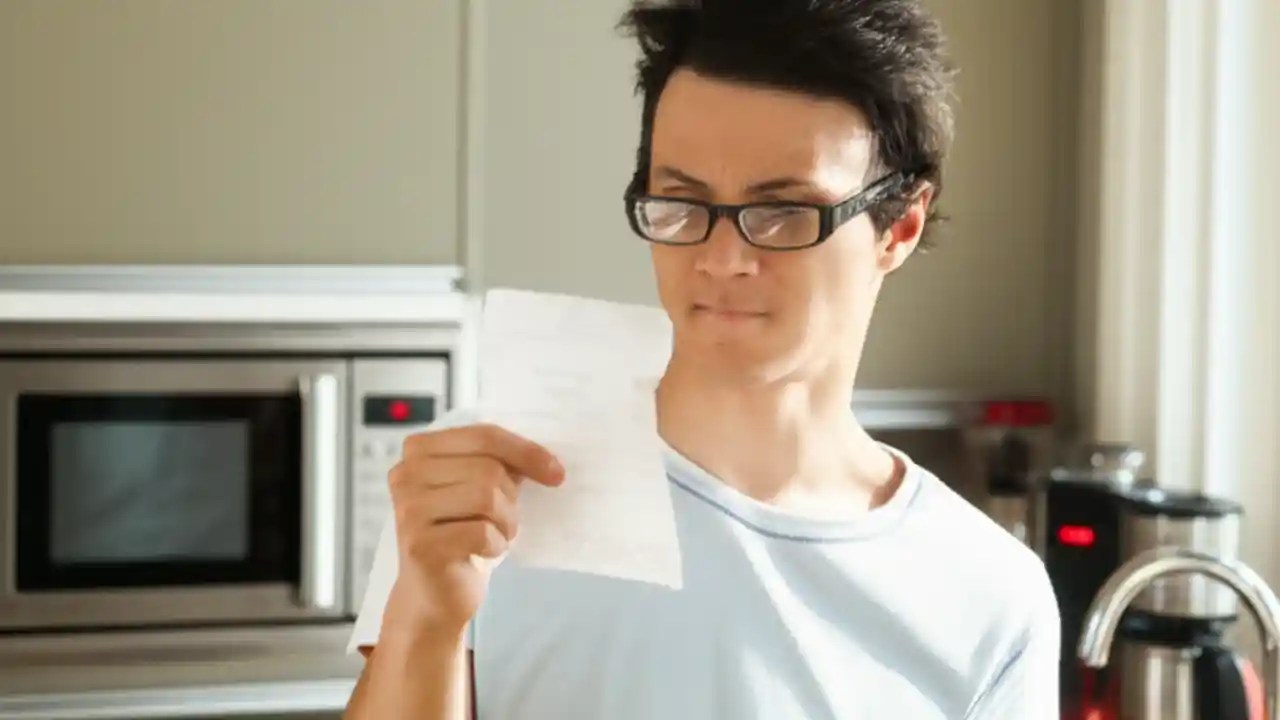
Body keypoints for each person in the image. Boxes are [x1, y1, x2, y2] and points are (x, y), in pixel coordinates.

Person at [343, 0, 1061, 718]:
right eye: (683, 203)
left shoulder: (989, 597)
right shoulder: (488, 489)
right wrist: (425, 618)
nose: (722, 259)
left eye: (782, 212)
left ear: (898, 227)